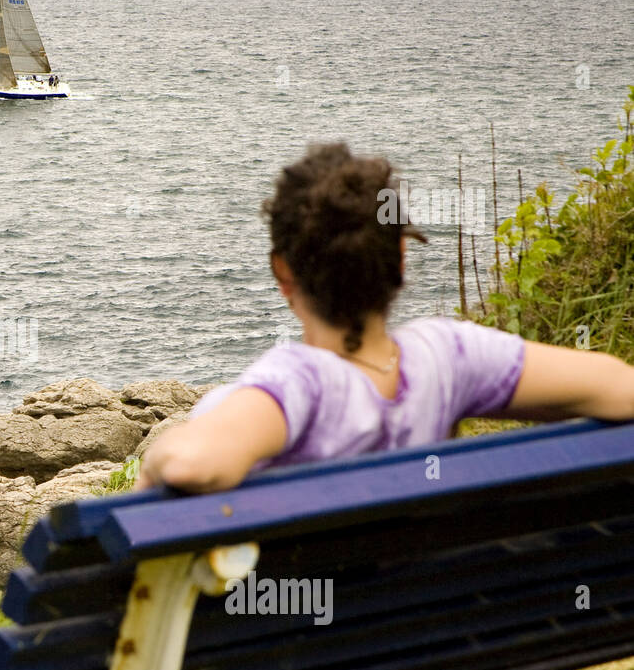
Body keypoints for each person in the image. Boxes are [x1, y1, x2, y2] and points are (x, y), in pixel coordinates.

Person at [137, 143, 634, 493]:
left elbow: (190, 465)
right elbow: (618, 386)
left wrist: (160, 449)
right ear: (400, 257)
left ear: (282, 272)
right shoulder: (450, 357)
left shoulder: (298, 385)